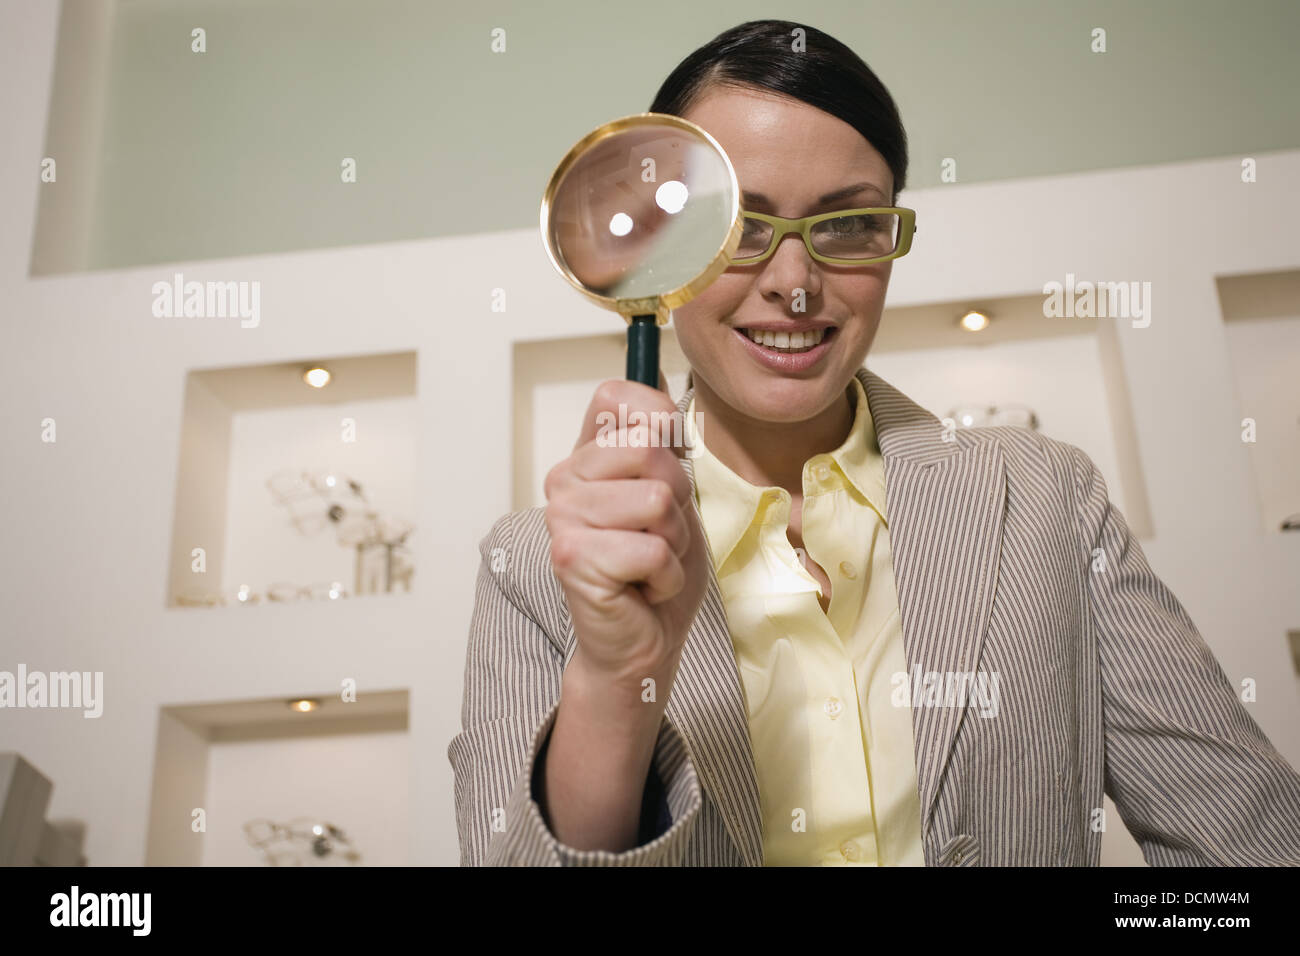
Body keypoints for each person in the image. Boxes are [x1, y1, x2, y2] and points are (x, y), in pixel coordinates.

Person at [447, 19, 1300, 866]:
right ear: (669, 253)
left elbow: (1249, 854)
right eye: (740, 226)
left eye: (849, 224)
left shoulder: (1046, 499)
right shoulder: (532, 567)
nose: (794, 284)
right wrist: (613, 684)